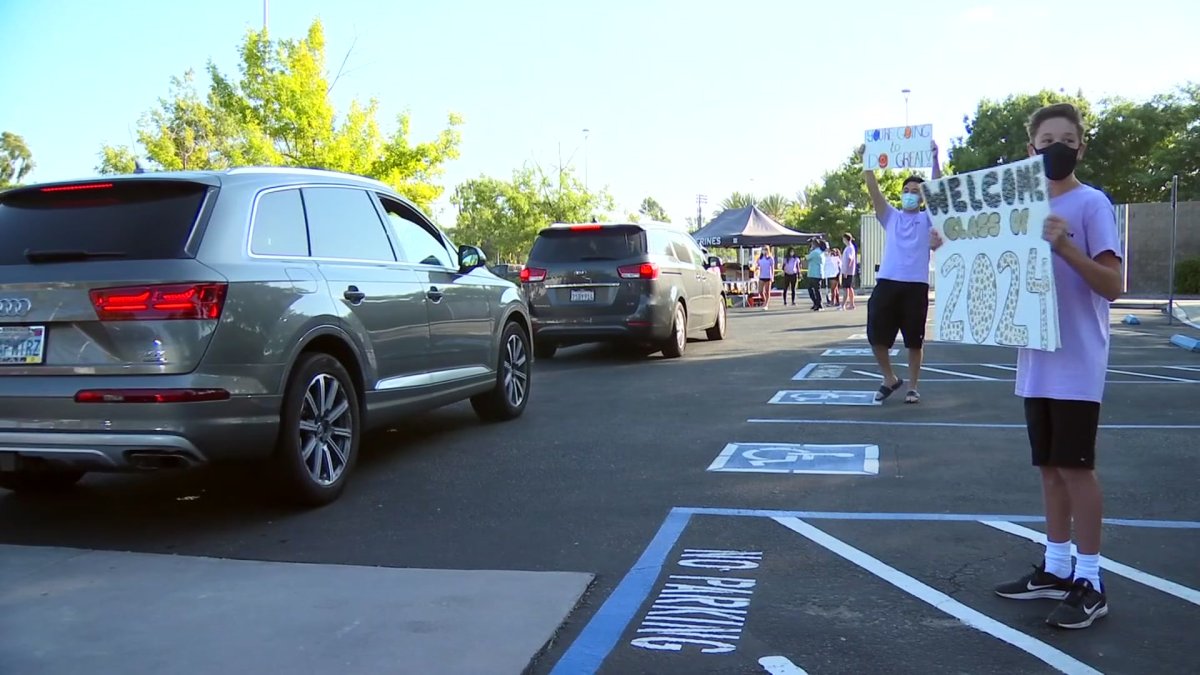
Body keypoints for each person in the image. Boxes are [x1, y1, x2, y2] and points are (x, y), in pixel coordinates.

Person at [933, 103, 1122, 630]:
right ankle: (1057, 565)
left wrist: (1064, 247)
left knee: (1076, 468)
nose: (1056, 146)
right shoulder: (1018, 208)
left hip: (1078, 358)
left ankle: (1091, 579)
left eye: (1067, 138)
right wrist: (947, 246)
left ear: (1080, 147)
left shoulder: (1092, 205)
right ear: (1030, 150)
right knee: (1049, 467)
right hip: (1036, 356)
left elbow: (1113, 285)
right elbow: (976, 254)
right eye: (1046, 139)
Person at [859, 139, 940, 404]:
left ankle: (913, 386)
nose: (910, 193)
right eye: (907, 189)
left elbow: (938, 189)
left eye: (916, 190)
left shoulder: (928, 218)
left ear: (922, 196)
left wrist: (935, 157)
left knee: (914, 341)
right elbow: (873, 190)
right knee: (876, 335)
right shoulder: (890, 216)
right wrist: (867, 161)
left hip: (915, 286)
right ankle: (890, 378)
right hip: (887, 283)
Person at [804, 239, 825, 311]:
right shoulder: (821, 252)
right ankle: (816, 303)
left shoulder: (815, 252)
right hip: (818, 273)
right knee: (816, 289)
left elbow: (807, 257)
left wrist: (810, 250)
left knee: (814, 289)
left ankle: (818, 304)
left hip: (814, 273)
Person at [841, 234, 859, 310]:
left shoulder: (849, 248)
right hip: (848, 271)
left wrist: (846, 271)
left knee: (846, 288)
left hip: (847, 271)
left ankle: (843, 305)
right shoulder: (849, 248)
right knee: (849, 287)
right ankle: (852, 304)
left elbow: (850, 259)